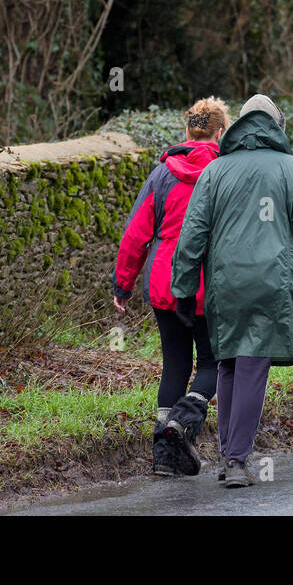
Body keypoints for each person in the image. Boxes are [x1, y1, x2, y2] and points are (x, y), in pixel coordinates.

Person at [170, 94, 293, 488]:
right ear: (276, 128)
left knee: (229, 362)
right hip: (272, 283)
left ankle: (229, 455)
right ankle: (234, 461)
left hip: (225, 284)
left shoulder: (216, 171)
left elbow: (192, 234)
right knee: (251, 365)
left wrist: (182, 288)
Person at [113, 97, 230, 477]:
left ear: (187, 130)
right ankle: (181, 421)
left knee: (174, 364)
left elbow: (135, 235)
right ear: (221, 131)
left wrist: (123, 285)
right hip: (209, 281)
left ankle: (164, 454)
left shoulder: (162, 174)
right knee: (215, 361)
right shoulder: (225, 172)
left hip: (164, 279)